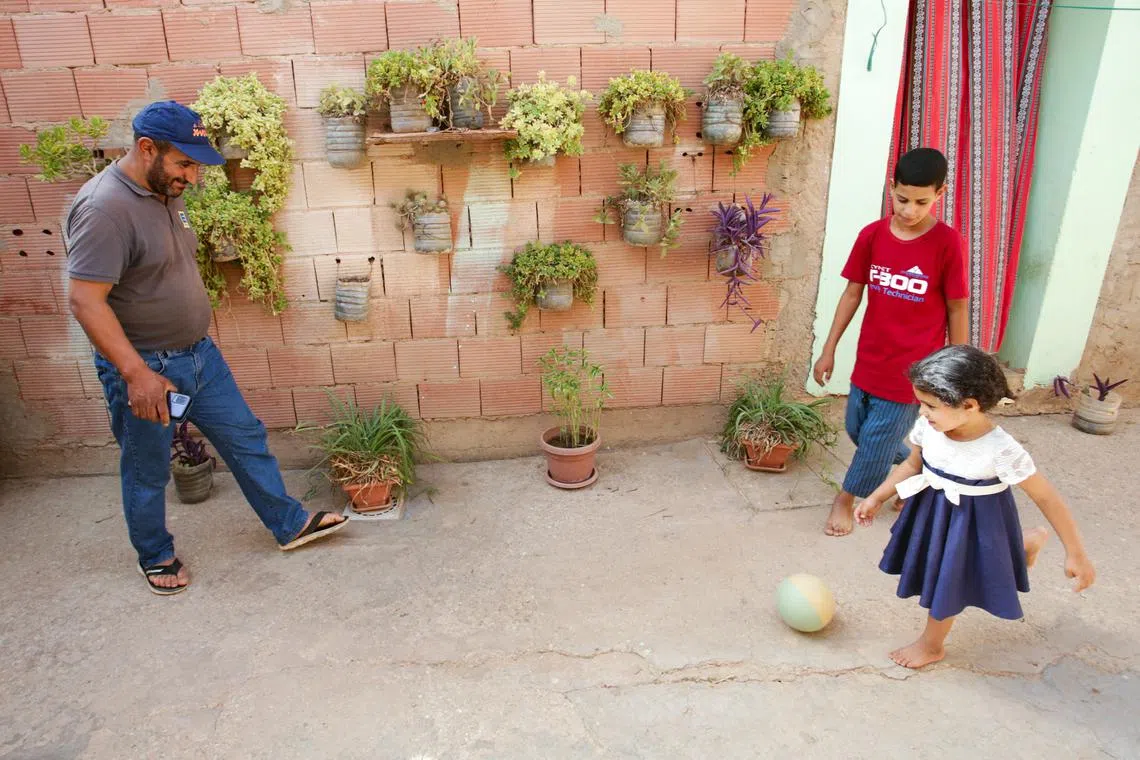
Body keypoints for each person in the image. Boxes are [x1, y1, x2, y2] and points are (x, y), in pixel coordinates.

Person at [66, 101, 347, 596]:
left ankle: (288, 524)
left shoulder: (164, 190)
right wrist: (136, 375)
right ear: (146, 149)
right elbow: (86, 301)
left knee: (245, 437)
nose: (193, 177)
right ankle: (154, 556)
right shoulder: (104, 209)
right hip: (147, 368)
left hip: (198, 354)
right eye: (185, 163)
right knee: (147, 469)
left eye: (196, 164)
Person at [854, 345, 1096, 668]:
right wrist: (878, 496)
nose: (922, 413)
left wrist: (1075, 552)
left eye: (930, 406)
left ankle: (931, 645)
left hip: (976, 519)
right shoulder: (930, 427)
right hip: (934, 514)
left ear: (969, 405)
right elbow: (912, 465)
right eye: (920, 403)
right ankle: (1024, 543)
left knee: (948, 581)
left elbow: (1046, 497)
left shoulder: (1001, 450)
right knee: (952, 566)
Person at [813, 147, 969, 537]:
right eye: (902, 199)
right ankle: (915, 474)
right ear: (891, 188)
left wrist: (959, 368)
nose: (909, 210)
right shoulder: (872, 236)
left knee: (877, 439)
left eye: (921, 201)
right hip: (869, 361)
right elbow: (852, 294)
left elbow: (957, 308)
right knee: (859, 432)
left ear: (940, 193)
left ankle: (846, 499)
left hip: (912, 371)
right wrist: (829, 348)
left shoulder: (947, 244)